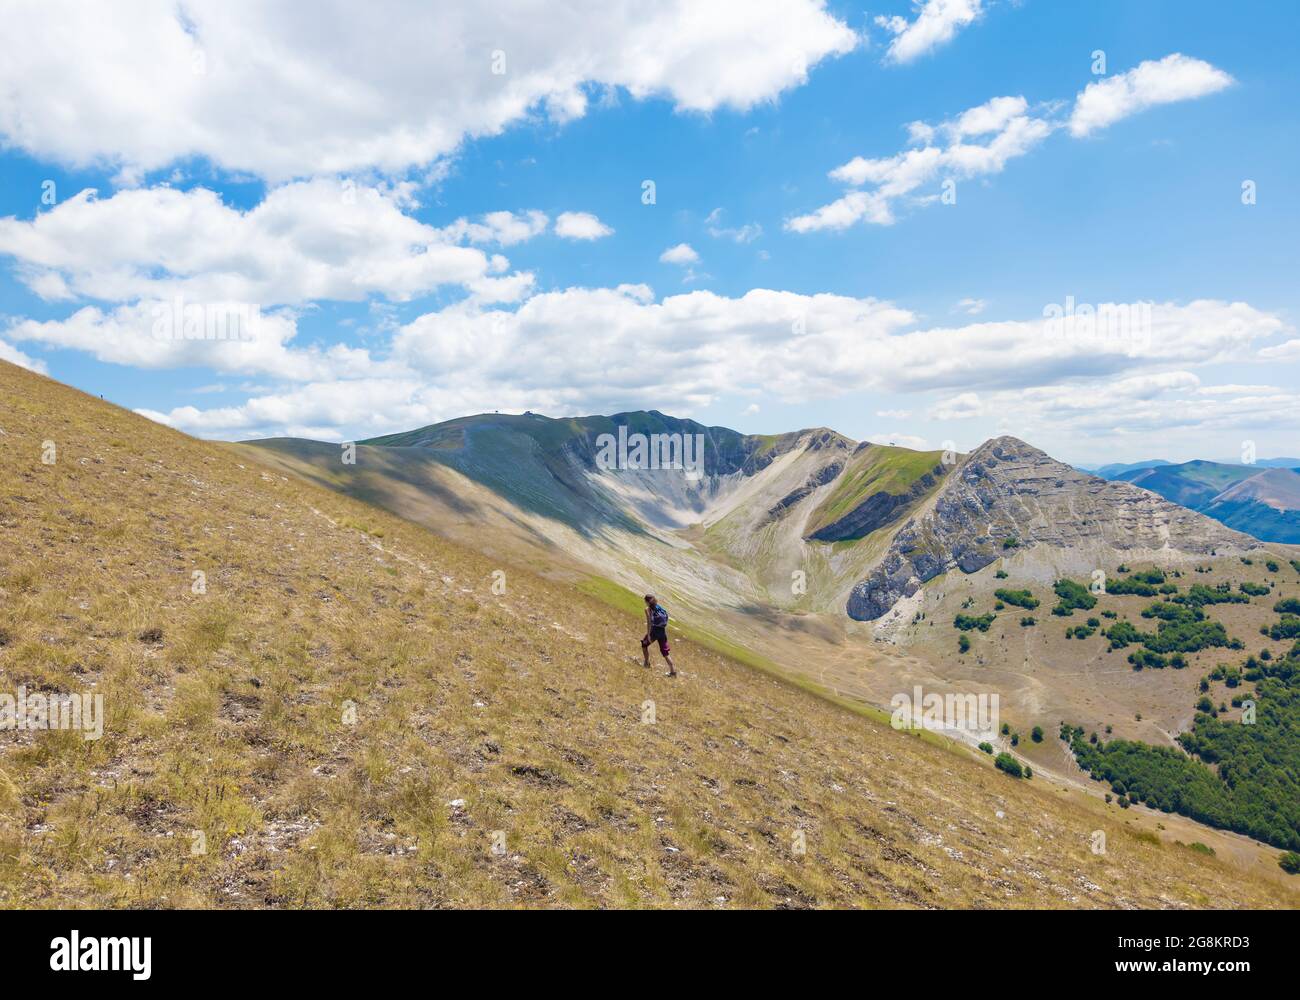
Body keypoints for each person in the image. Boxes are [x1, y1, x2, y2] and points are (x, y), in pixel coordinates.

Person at [640, 594, 676, 677]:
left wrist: (649, 635)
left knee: (644, 645)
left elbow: (649, 623)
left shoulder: (648, 609)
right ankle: (673, 672)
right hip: (662, 631)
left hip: (654, 631)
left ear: (647, 602)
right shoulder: (659, 607)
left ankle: (646, 663)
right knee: (665, 652)